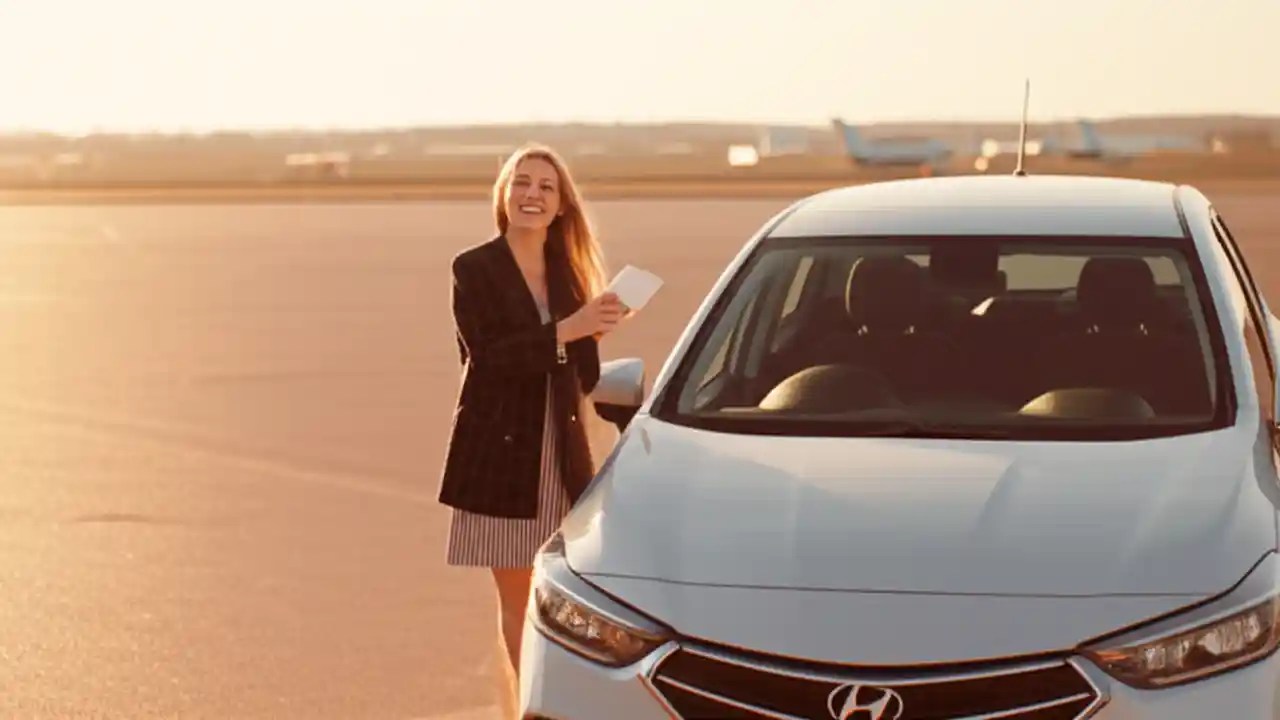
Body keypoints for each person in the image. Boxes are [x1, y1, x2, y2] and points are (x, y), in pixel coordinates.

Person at [437, 143, 627, 717]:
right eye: (522, 183)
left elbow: (584, 379)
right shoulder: (474, 269)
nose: (532, 195)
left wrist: (595, 329)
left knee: (562, 596)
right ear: (504, 193)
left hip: (561, 457)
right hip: (500, 458)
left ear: (562, 204)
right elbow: (488, 358)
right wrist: (567, 329)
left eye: (545, 187)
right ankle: (528, 708)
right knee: (519, 598)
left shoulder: (569, 272)